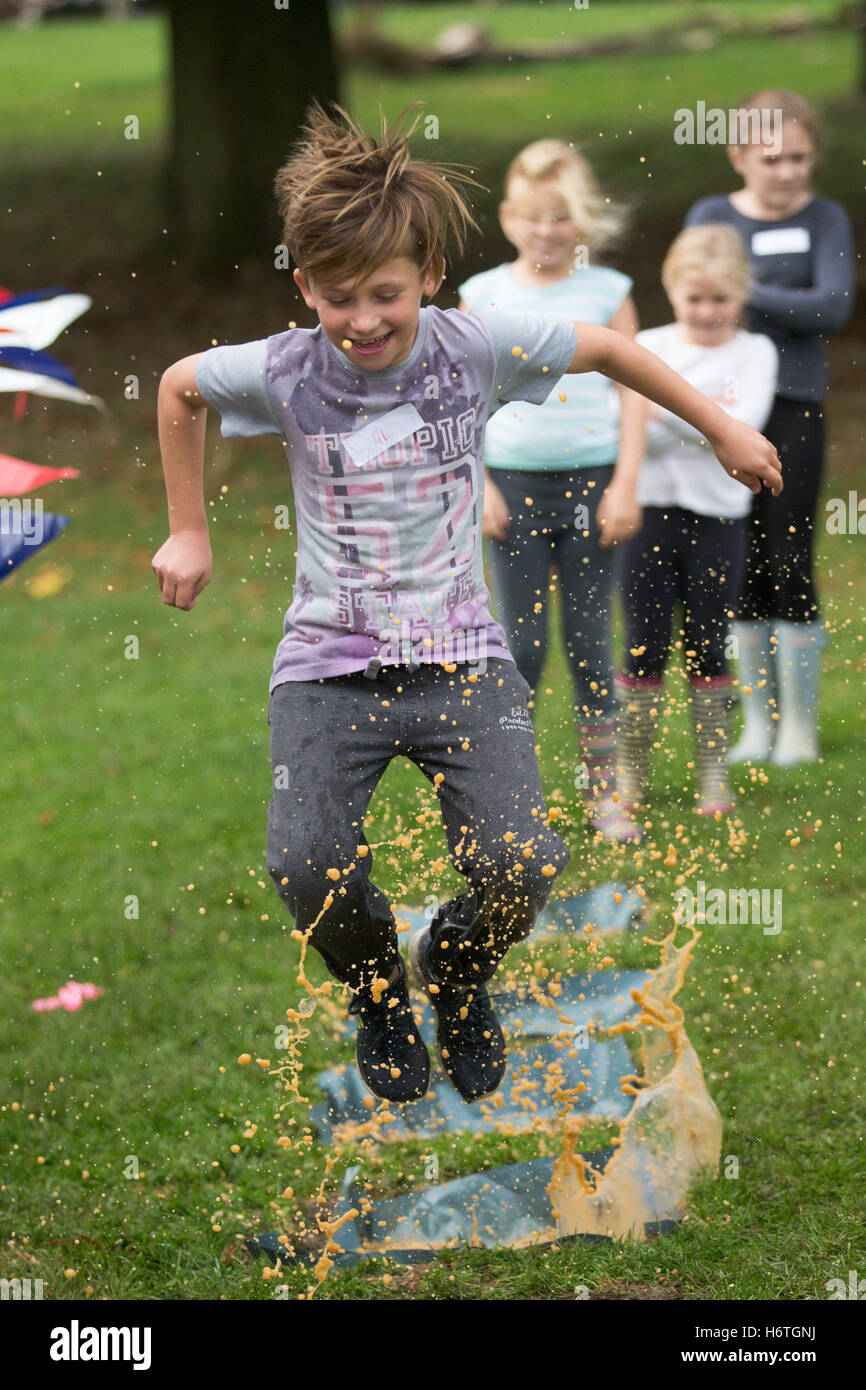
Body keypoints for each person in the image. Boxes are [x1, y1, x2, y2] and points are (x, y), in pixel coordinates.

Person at [151, 105, 782, 1110]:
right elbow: (179, 387)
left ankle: (451, 969)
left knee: (521, 860)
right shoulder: (284, 368)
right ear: (304, 284)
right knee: (305, 864)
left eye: (386, 295)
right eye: (339, 297)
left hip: (460, 659)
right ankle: (375, 992)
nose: (363, 320)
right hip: (327, 668)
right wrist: (189, 529)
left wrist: (716, 432)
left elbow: (612, 352)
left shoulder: (474, 346)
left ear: (429, 276)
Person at [458, 139, 644, 843]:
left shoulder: (608, 291)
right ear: (508, 218)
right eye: (533, 217)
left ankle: (607, 795)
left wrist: (626, 483)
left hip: (595, 485)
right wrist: (479, 486)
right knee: (524, 647)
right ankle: (512, 796)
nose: (546, 231)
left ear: (583, 219)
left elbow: (635, 393)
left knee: (593, 643)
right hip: (510, 488)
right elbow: (460, 401)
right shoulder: (481, 296)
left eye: (561, 217)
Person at [684, 89, 856, 766]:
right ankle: (759, 724)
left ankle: (800, 730)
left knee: (789, 555)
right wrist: (737, 302)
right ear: (739, 156)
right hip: (722, 406)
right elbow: (691, 291)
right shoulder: (710, 215)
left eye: (800, 158)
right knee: (738, 562)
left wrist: (740, 293)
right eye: (772, 158)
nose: (787, 172)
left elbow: (833, 307)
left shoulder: (827, 218)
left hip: (793, 402)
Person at [616, 225, 778, 816]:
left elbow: (746, 428)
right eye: (695, 298)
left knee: (708, 646)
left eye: (722, 299)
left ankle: (714, 776)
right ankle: (632, 778)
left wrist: (662, 407)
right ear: (671, 288)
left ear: (743, 295)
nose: (707, 311)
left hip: (720, 520)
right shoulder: (649, 345)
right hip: (651, 517)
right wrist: (713, 421)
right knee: (643, 647)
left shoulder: (757, 353)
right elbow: (631, 427)